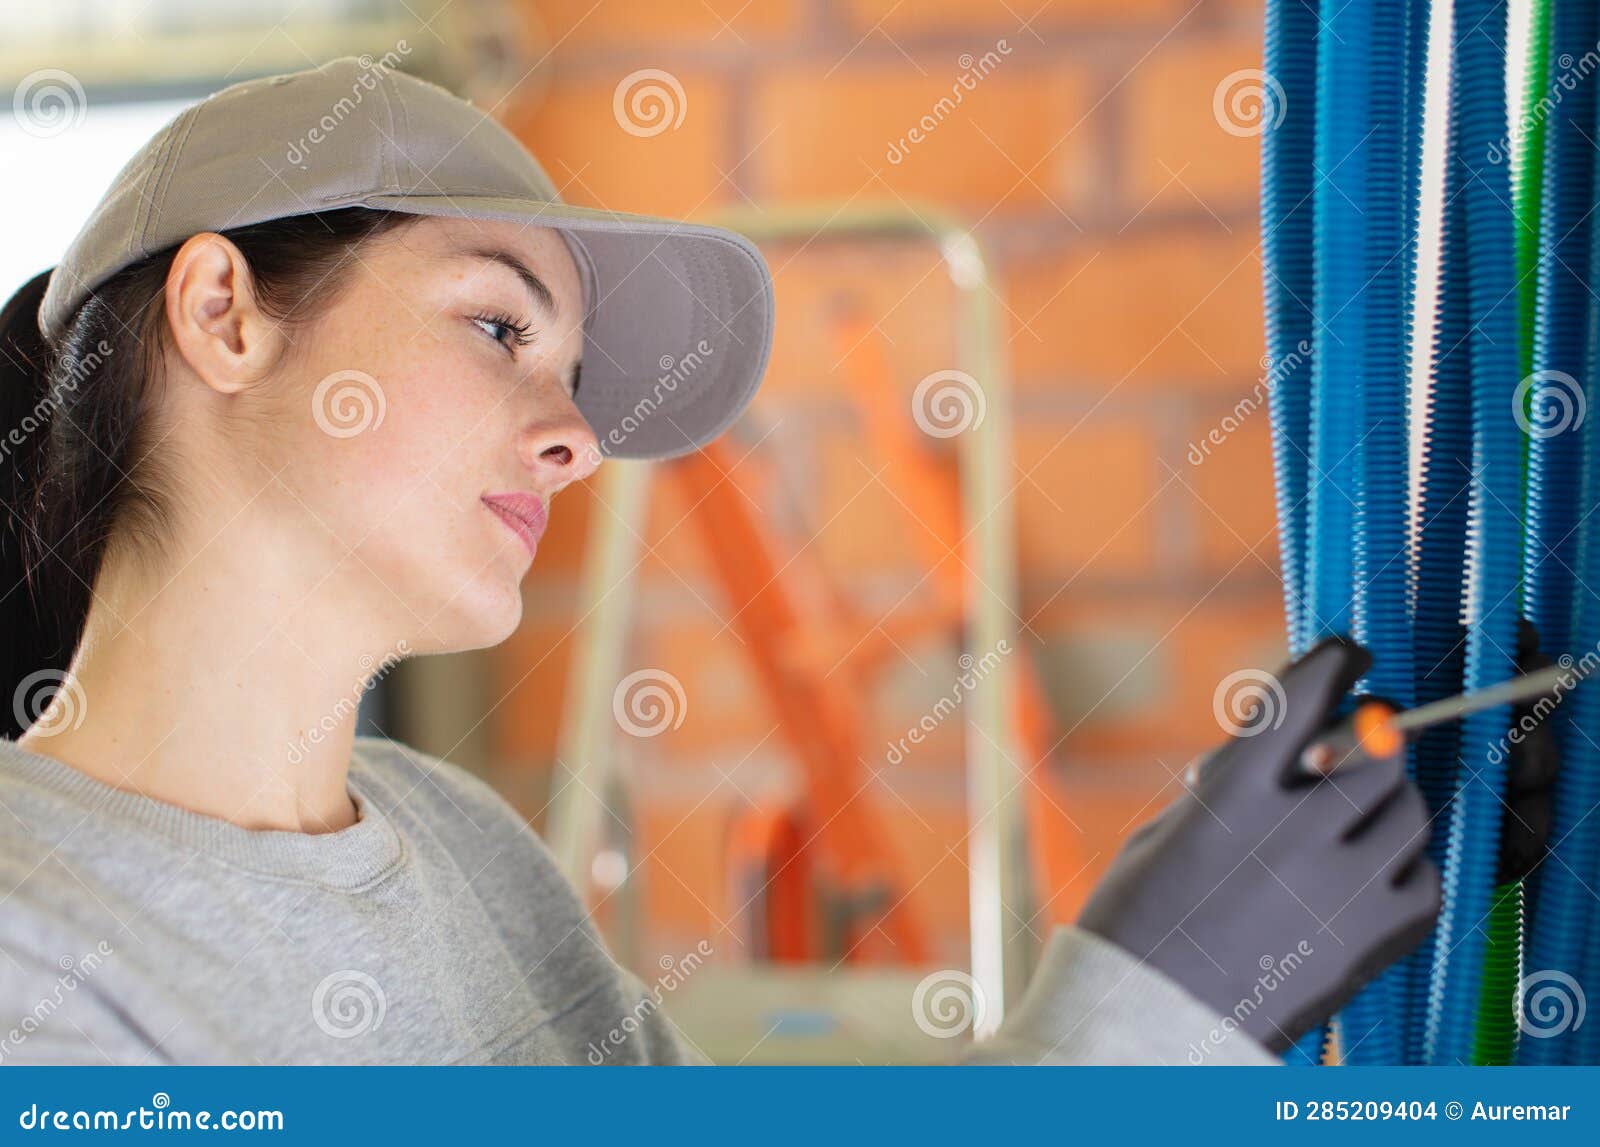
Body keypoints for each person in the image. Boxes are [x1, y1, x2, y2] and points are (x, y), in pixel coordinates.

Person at [0, 58, 1439, 1065]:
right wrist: (1147, 1012)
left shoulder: (468, 852)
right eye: (498, 328)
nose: (577, 437)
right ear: (224, 314)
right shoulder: (33, 948)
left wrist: (1232, 979)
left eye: (570, 372)